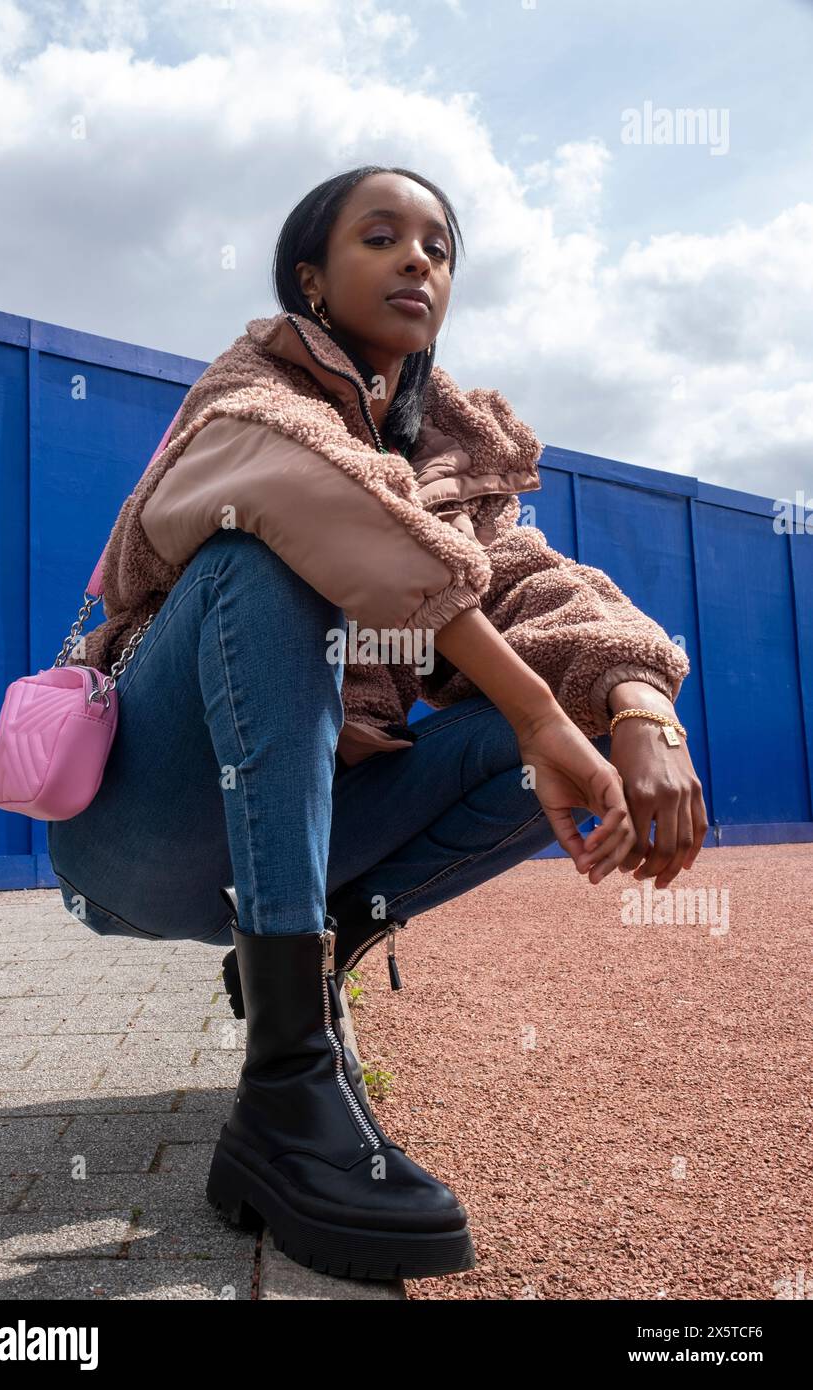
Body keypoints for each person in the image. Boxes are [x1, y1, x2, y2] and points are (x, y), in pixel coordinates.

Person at [47, 165, 706, 1282]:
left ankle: (294, 974)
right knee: (265, 548)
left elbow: (544, 587)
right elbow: (302, 490)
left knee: (563, 741)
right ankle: (288, 1089)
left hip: (310, 835)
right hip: (139, 833)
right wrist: (535, 702)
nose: (417, 259)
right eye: (382, 236)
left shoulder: (449, 448)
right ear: (310, 275)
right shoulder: (245, 394)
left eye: (438, 246)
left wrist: (639, 708)